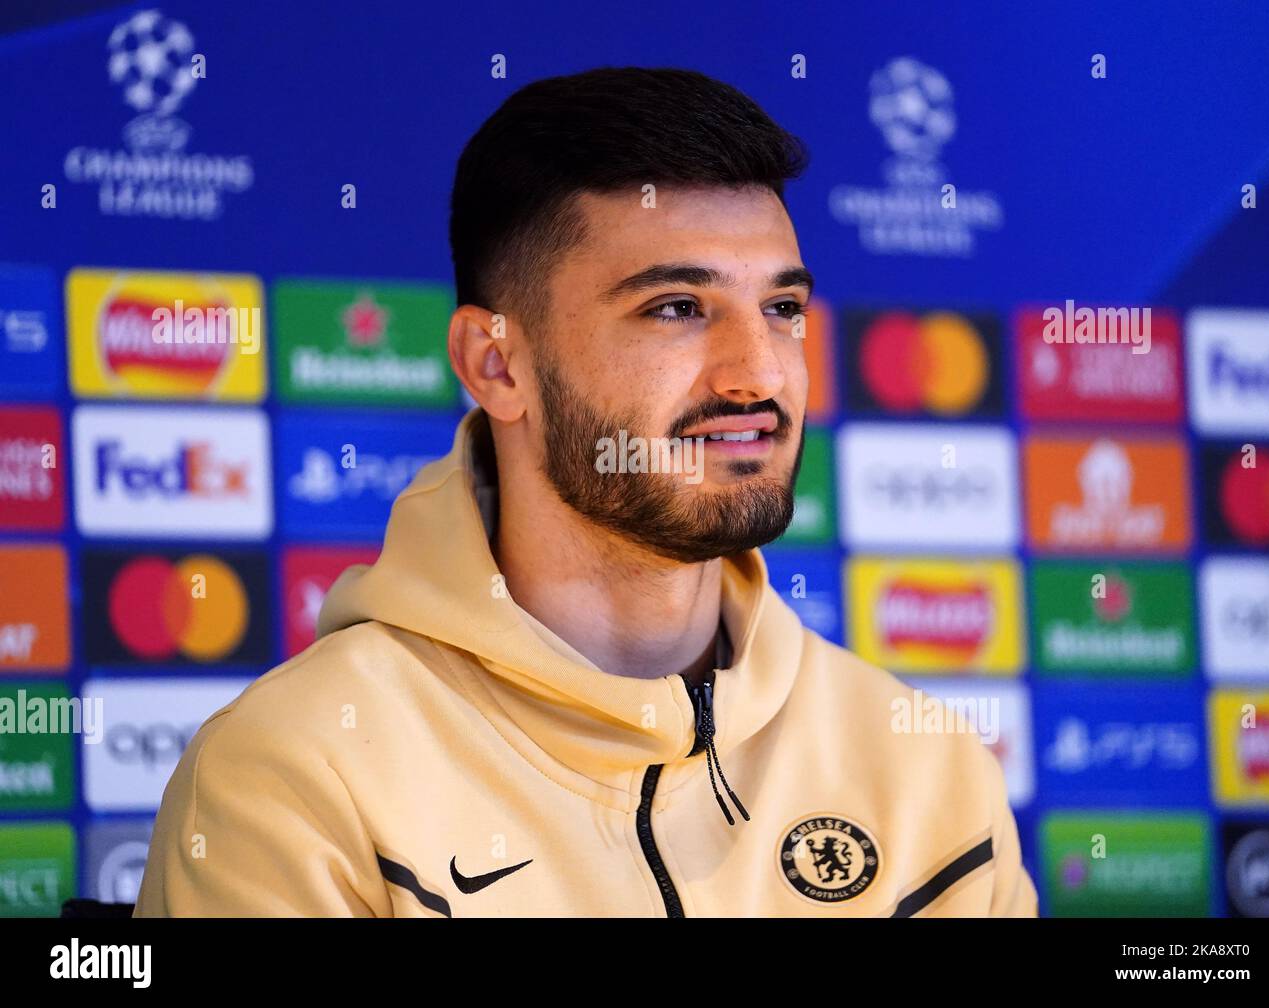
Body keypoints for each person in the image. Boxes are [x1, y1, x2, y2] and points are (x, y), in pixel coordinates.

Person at [135, 66, 1036, 917]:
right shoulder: (296, 774)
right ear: (497, 366)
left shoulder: (924, 769)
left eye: (783, 309)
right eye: (678, 307)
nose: (759, 373)